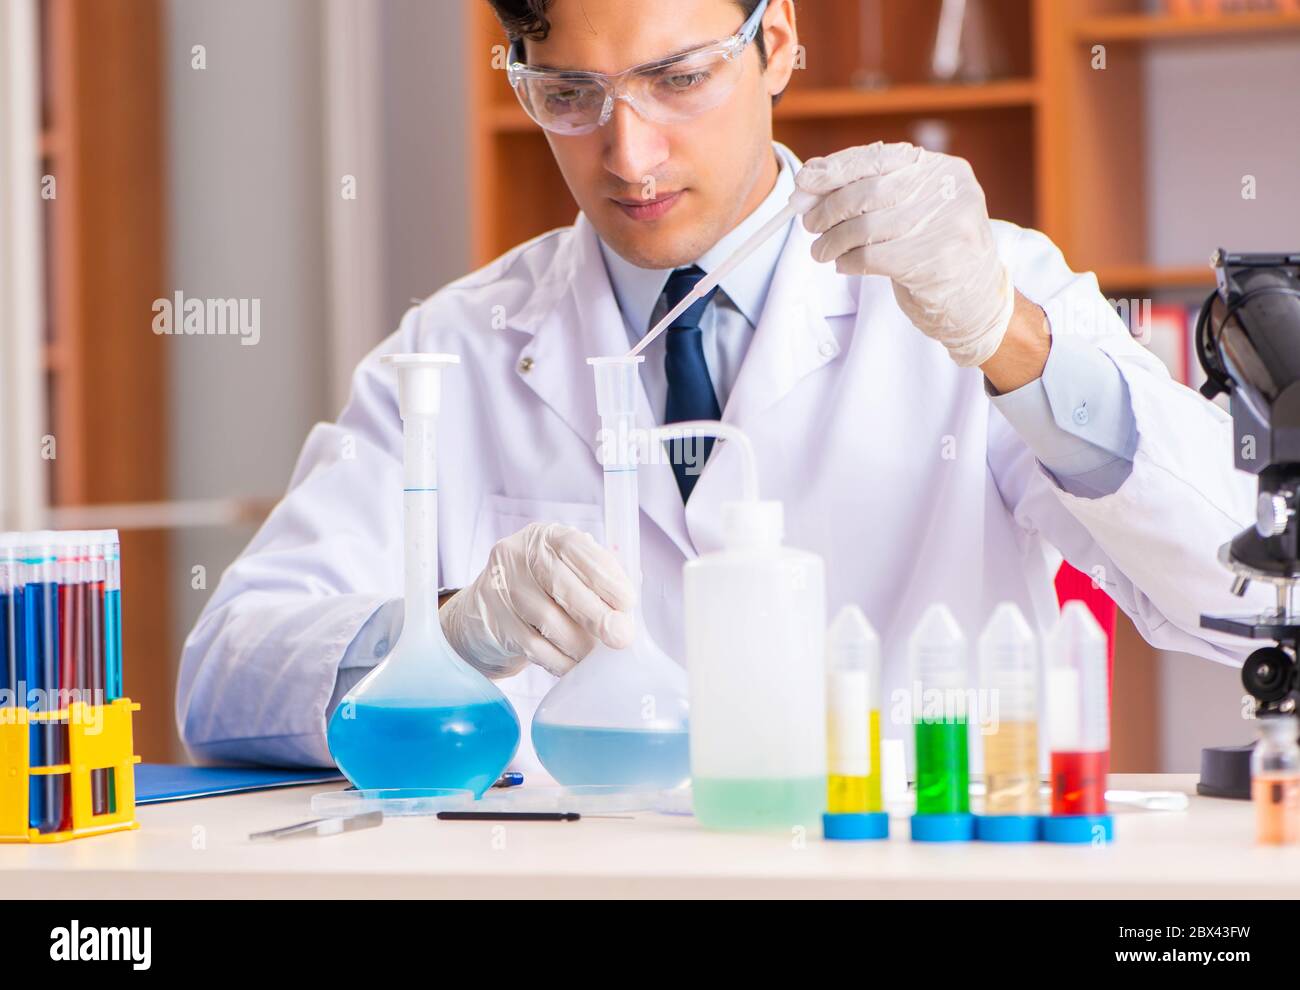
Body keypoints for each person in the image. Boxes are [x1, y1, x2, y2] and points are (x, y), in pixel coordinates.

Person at [176, 0, 1263, 773]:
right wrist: (448, 633)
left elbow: (1252, 599)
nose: (629, 154)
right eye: (569, 95)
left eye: (679, 78)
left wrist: (1010, 341)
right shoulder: (456, 347)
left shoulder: (981, 287)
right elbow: (222, 680)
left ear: (776, 40)